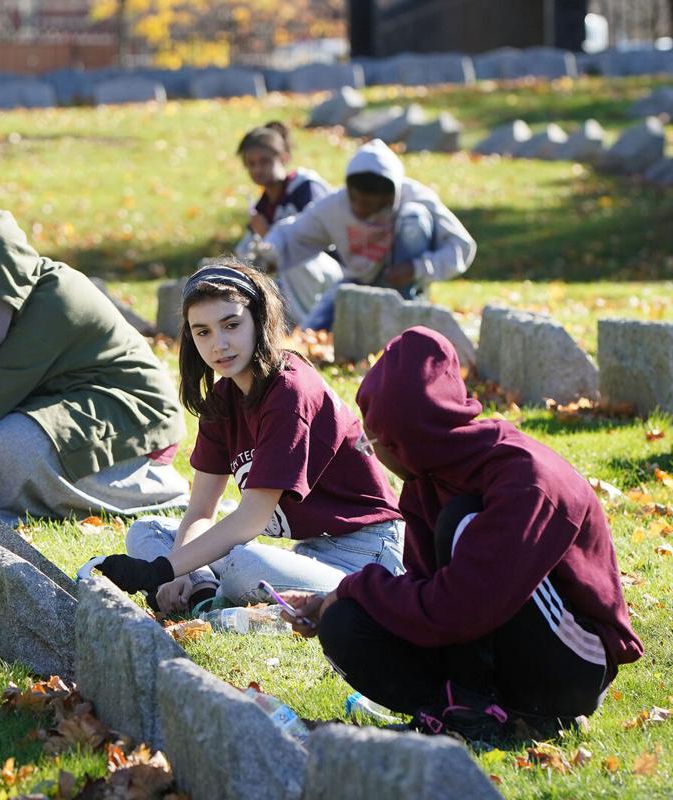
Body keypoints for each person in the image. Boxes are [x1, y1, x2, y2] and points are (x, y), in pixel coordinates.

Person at [281, 327, 643, 741]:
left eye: (372, 442)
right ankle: (461, 717)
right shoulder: (425, 482)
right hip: (480, 629)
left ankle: (522, 713)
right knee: (345, 625)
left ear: (406, 442)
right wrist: (335, 601)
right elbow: (426, 591)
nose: (372, 453)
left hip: (572, 663)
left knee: (461, 524)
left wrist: (353, 587)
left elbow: (457, 609)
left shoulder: (525, 481)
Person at [93, 259, 404, 613]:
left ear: (259, 320)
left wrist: (162, 570)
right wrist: (177, 572)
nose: (219, 344)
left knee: (245, 566)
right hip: (309, 552)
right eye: (203, 331)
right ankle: (204, 598)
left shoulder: (290, 391)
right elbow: (199, 511)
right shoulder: (223, 398)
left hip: (369, 554)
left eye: (232, 325)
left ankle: (233, 601)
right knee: (148, 532)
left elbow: (253, 518)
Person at [0, 208, 188, 523]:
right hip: (71, 401)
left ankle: (155, 488)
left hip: (137, 417)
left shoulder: (55, 302)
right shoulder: (5, 302)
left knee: (5, 447)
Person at [265, 138, 476, 331]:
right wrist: (269, 254)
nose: (358, 208)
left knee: (414, 217)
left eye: (367, 203)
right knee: (312, 328)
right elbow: (291, 233)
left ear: (388, 198)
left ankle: (408, 316)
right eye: (354, 199)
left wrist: (416, 268)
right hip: (357, 282)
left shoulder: (415, 198)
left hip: (404, 281)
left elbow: (461, 246)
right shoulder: (337, 205)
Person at [233, 121, 340, 326]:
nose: (257, 169)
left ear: (283, 158)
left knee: (294, 257)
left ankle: (312, 329)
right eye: (251, 164)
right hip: (295, 282)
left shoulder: (305, 187)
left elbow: (320, 239)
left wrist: (269, 232)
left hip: (331, 270)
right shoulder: (262, 207)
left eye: (264, 161)